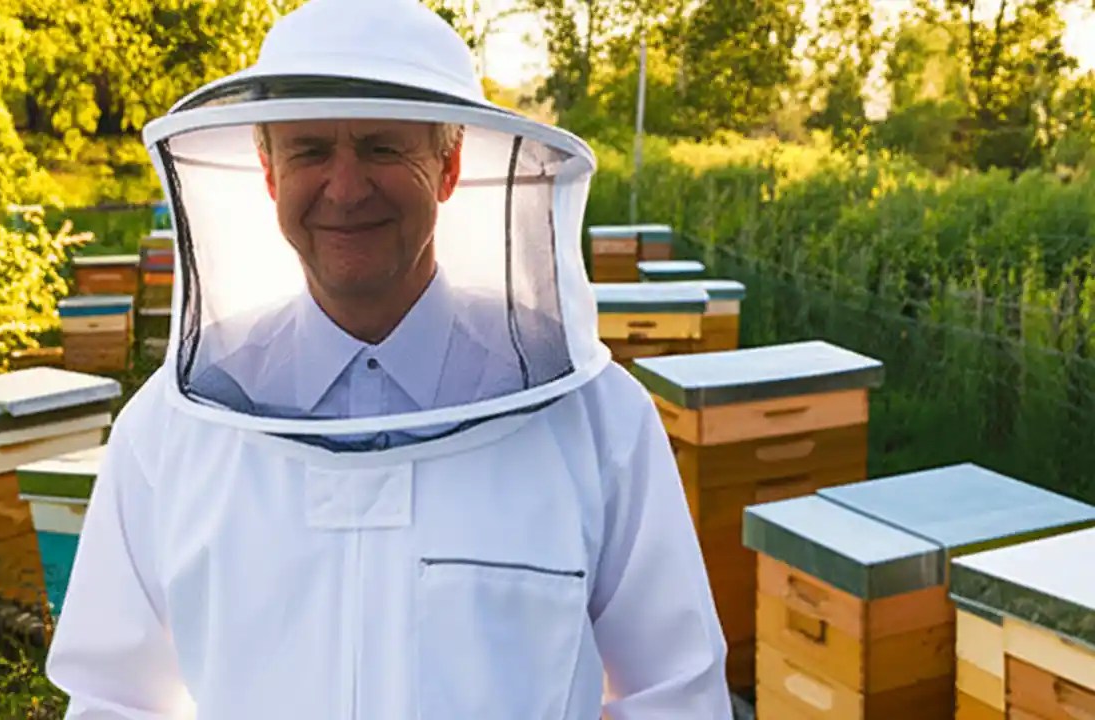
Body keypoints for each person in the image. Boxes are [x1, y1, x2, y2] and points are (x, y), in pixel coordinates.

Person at [45, 0, 734, 717]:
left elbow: (676, 692)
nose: (345, 189)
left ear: (449, 165)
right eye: (310, 150)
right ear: (269, 174)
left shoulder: (595, 418)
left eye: (382, 146)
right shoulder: (168, 431)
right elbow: (114, 699)